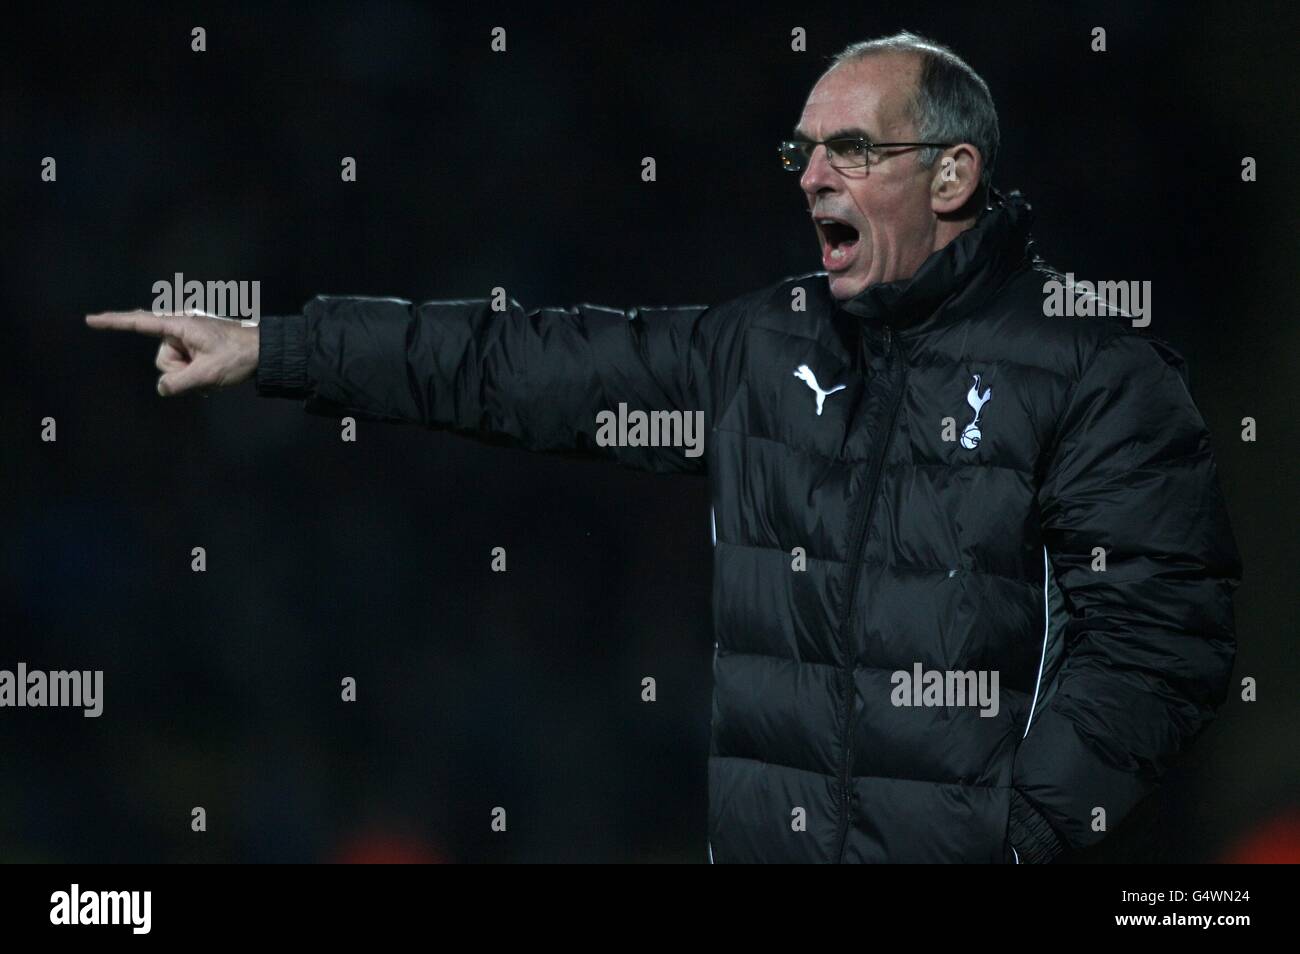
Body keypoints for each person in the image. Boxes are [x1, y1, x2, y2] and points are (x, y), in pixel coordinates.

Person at [86, 31, 1242, 863]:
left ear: (953, 174)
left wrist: (1017, 836)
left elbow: (1162, 638)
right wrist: (281, 347)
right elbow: (519, 365)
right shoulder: (760, 348)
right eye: (800, 155)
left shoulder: (1092, 366)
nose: (814, 178)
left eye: (850, 149)